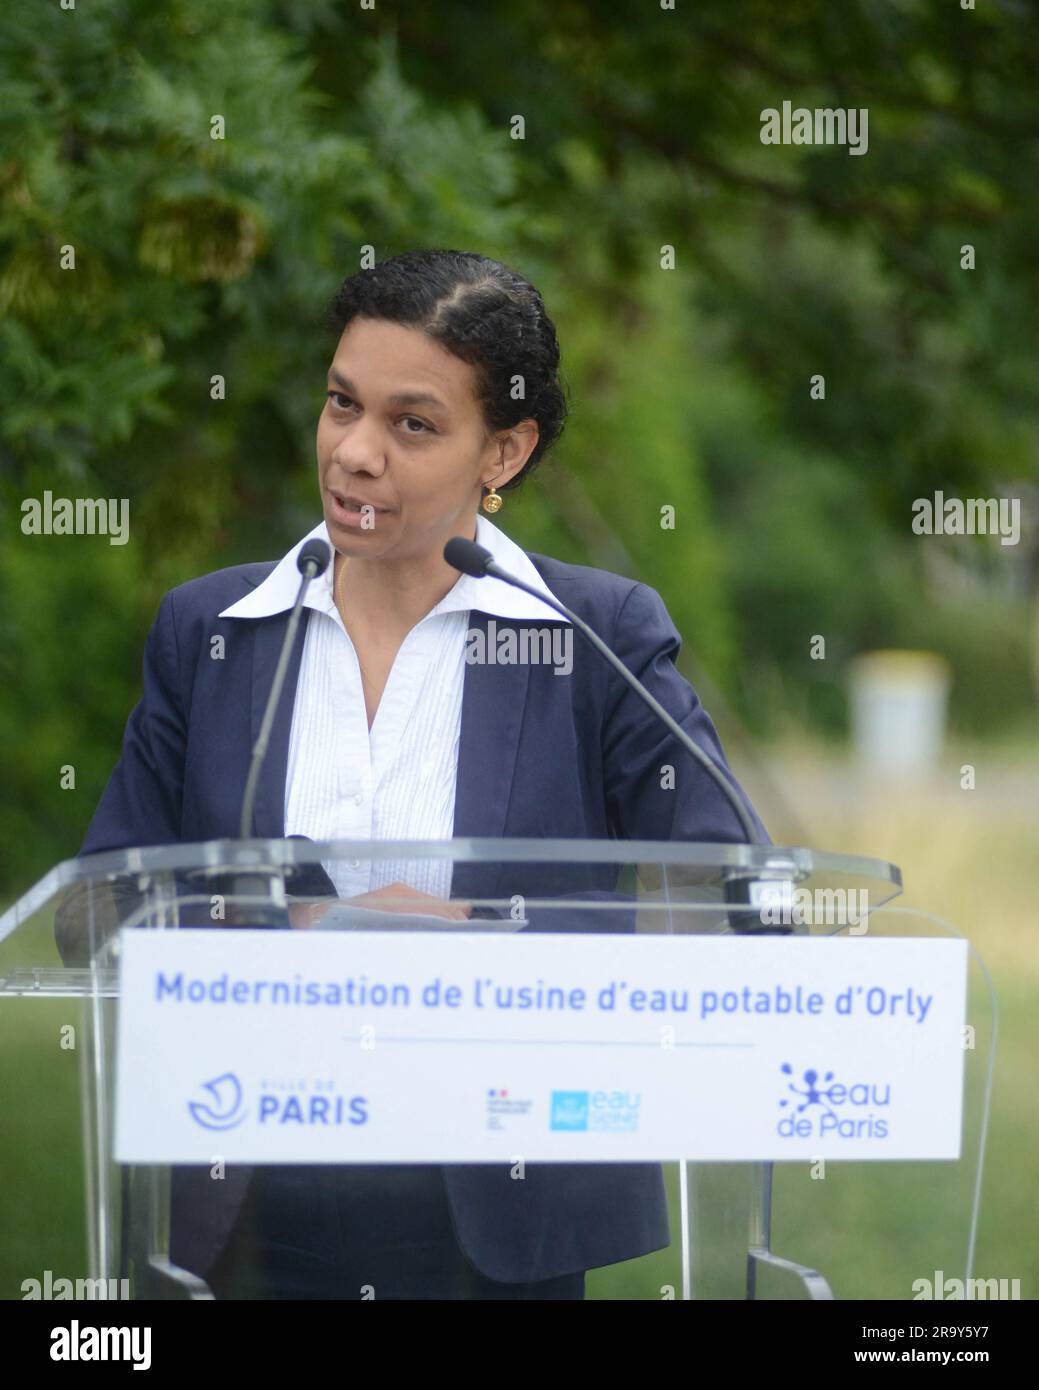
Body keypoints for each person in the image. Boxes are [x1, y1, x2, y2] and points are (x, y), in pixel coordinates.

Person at [63, 248, 770, 1300]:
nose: (353, 453)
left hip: (498, 1218)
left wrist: (473, 939)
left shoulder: (594, 639)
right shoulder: (211, 631)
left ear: (506, 450)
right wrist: (284, 924)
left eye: (413, 424)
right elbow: (91, 915)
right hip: (238, 1220)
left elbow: (738, 909)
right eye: (342, 403)